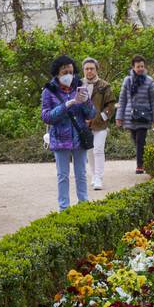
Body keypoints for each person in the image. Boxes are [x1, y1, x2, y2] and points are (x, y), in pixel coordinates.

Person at [41, 55, 95, 209]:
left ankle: (83, 205)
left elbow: (91, 114)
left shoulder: (80, 86)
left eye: (71, 72)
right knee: (62, 176)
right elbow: (46, 117)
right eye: (64, 72)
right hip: (60, 139)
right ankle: (63, 208)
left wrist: (86, 102)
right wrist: (67, 105)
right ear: (57, 73)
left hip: (79, 138)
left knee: (81, 174)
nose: (68, 76)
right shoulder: (49, 90)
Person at [116, 55, 154, 175]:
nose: (140, 68)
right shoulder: (127, 80)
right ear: (133, 67)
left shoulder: (149, 81)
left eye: (142, 66)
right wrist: (119, 117)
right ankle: (147, 160)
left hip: (144, 117)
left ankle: (140, 165)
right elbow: (122, 99)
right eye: (138, 66)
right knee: (136, 141)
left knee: (140, 140)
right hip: (130, 117)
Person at [81, 57, 117, 191]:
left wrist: (101, 118)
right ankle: (94, 174)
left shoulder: (104, 86)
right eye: (87, 68)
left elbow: (111, 105)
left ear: (96, 69)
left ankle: (98, 178)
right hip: (84, 124)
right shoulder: (78, 85)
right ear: (83, 70)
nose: (89, 71)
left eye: (92, 68)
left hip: (100, 124)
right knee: (89, 151)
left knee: (98, 149)